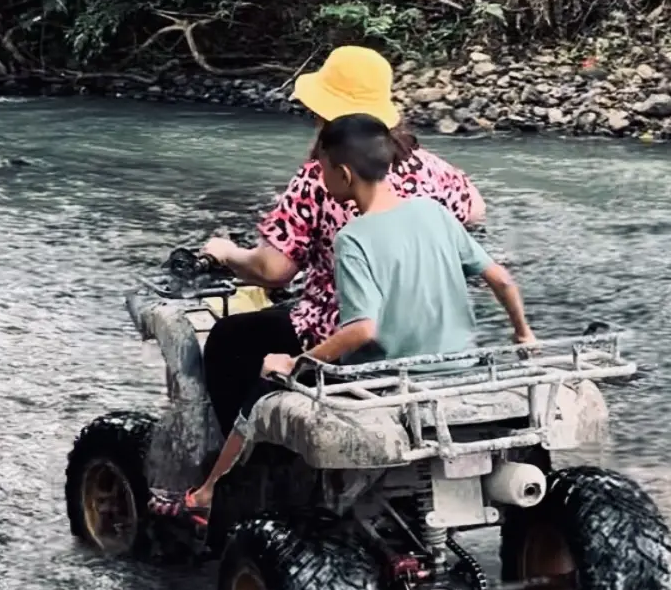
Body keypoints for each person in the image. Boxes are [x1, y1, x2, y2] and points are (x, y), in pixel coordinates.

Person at [155, 113, 533, 523]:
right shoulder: (433, 211)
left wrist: (298, 363)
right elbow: (501, 279)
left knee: (260, 391)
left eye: (322, 170)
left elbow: (361, 329)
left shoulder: (353, 238)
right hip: (457, 368)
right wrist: (523, 334)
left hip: (382, 376)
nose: (318, 176)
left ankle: (208, 494)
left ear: (344, 175)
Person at [200, 44, 486, 436]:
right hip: (428, 332)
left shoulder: (320, 177)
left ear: (324, 113)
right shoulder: (430, 167)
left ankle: (241, 454)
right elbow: (475, 209)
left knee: (228, 338)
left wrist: (228, 253)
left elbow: (275, 270)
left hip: (344, 334)